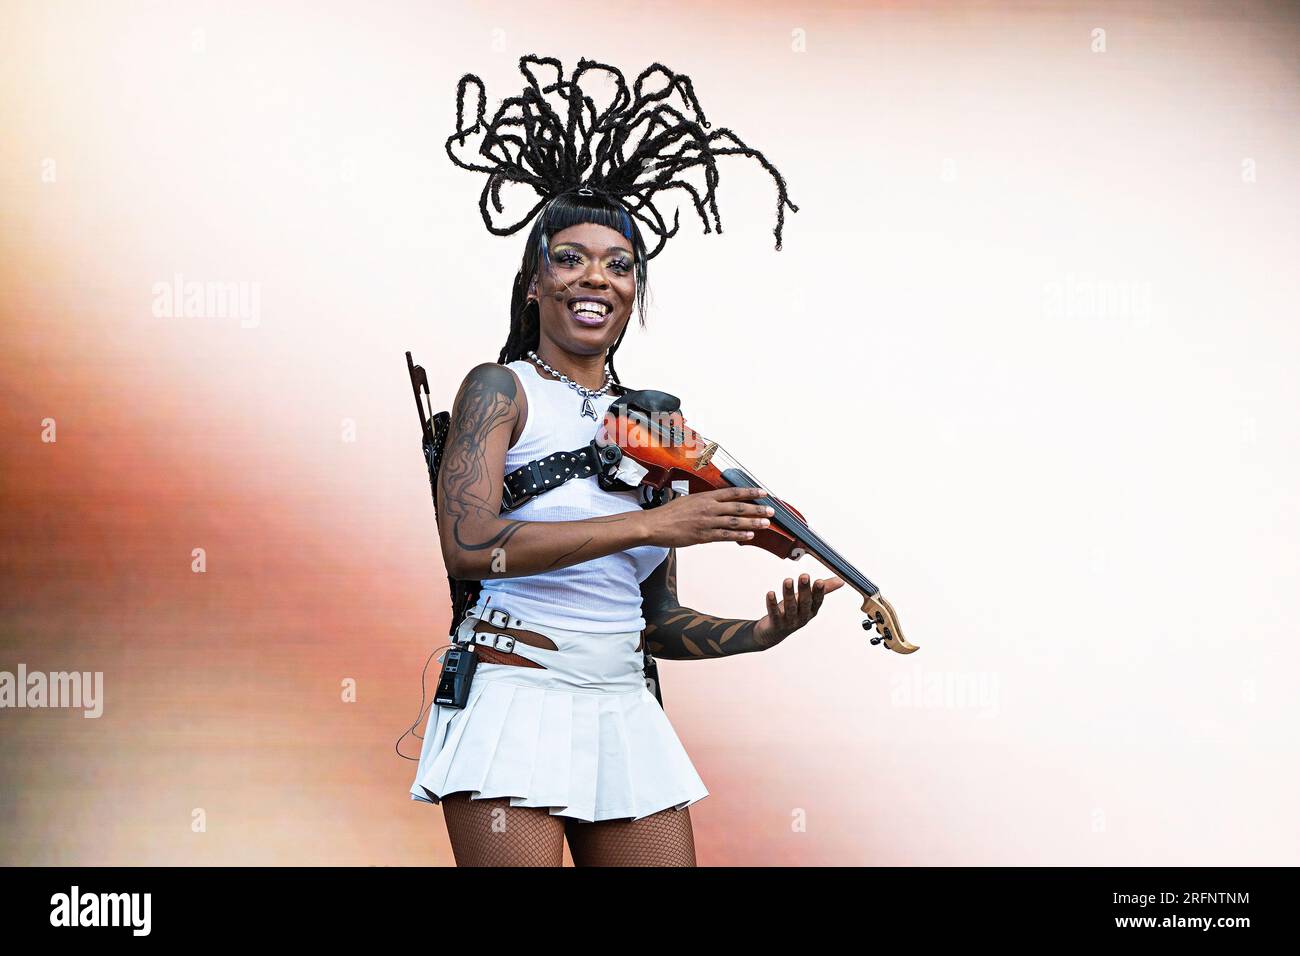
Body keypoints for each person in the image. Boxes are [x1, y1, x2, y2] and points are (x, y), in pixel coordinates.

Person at [409, 55, 843, 867]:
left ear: (635, 288)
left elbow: (656, 623)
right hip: (512, 695)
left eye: (618, 263)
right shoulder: (498, 391)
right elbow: (469, 546)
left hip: (621, 703)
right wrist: (655, 519)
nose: (595, 278)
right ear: (533, 281)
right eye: (569, 257)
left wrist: (759, 633)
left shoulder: (654, 424)